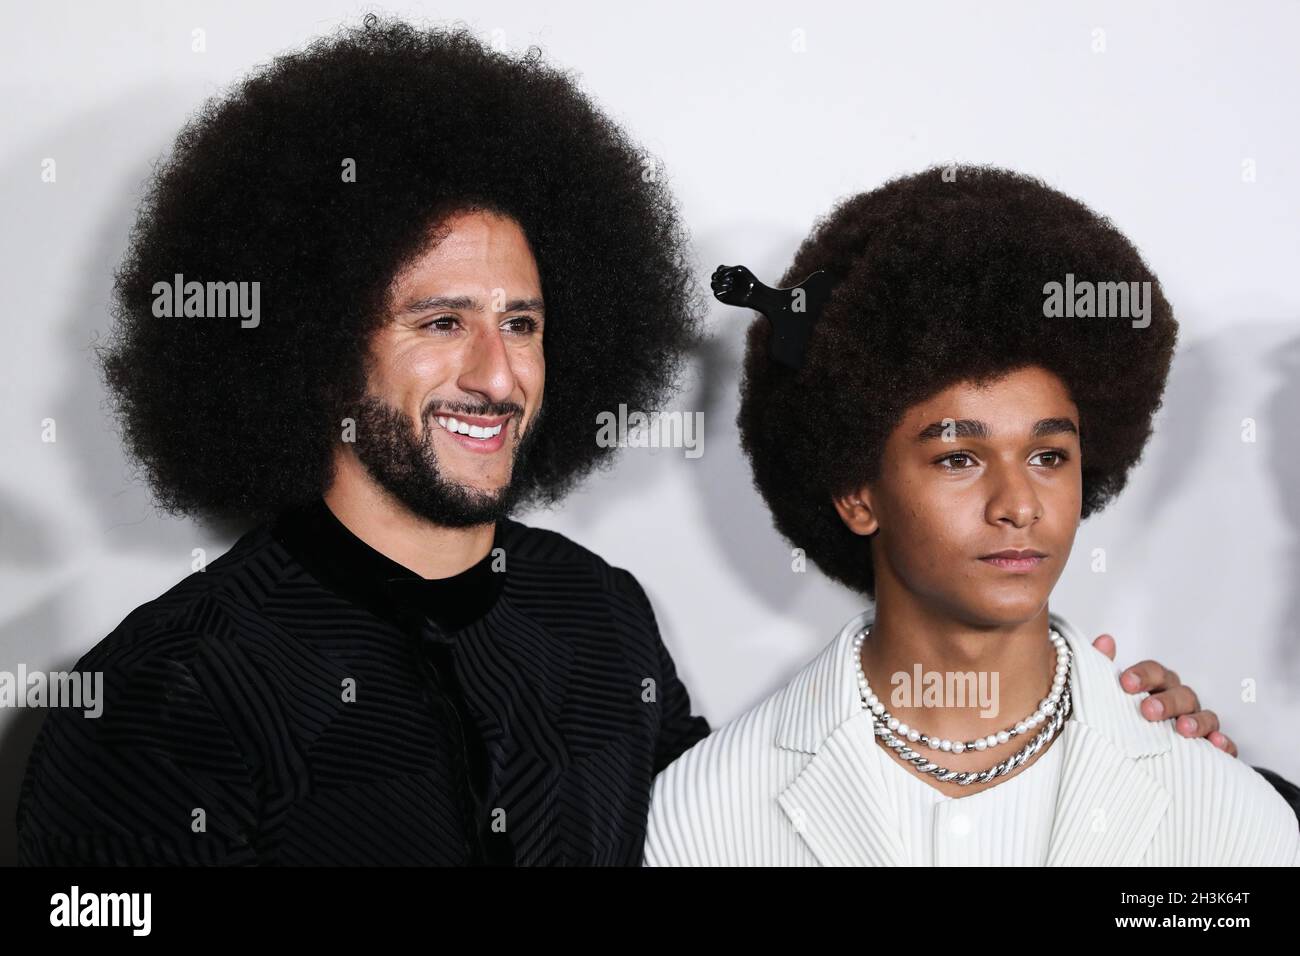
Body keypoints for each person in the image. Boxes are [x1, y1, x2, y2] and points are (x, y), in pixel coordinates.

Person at [14, 18, 1232, 865]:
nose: (497, 373)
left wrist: (1128, 752)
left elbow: (755, 823)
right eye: (442, 322)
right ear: (323, 344)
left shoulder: (598, 618)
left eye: (525, 322)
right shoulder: (153, 702)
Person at [643, 165, 1299, 866]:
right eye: (959, 458)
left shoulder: (1226, 814)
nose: (1019, 505)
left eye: (1048, 456)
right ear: (857, 495)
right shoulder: (706, 816)